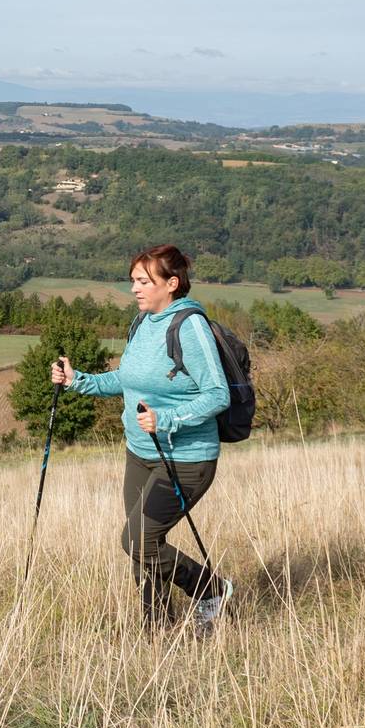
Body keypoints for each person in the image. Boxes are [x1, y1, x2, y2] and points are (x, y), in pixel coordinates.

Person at [51, 244, 234, 634]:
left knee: (137, 540)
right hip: (140, 453)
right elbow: (126, 379)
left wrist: (167, 418)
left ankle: (212, 591)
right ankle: (157, 631)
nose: (134, 289)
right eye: (133, 280)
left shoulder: (189, 326)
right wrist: (78, 381)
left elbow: (218, 394)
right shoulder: (143, 323)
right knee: (143, 550)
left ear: (172, 283)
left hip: (186, 459)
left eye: (143, 281)